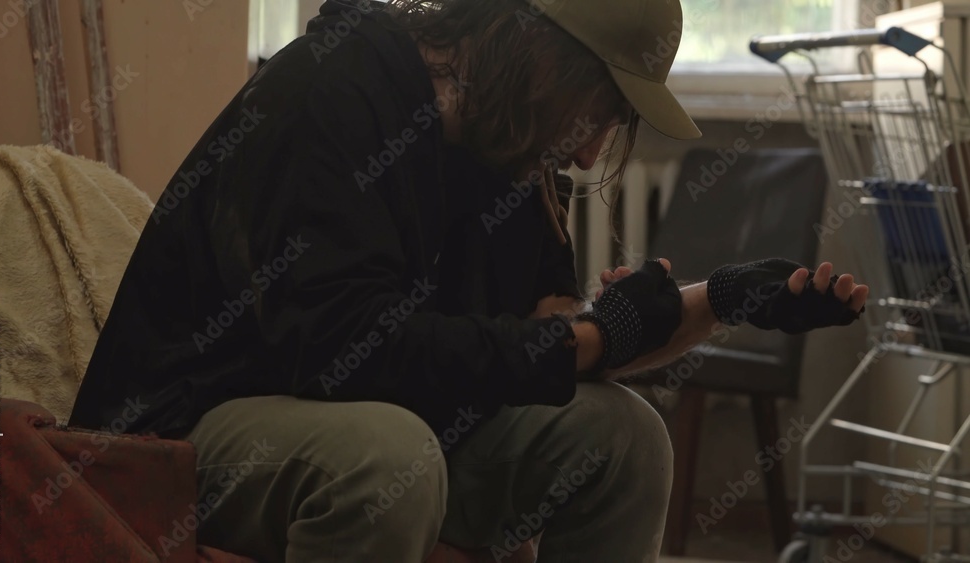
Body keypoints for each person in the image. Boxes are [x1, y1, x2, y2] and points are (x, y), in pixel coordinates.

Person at [69, 0, 869, 560]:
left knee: (625, 437)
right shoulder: (332, 88)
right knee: (387, 457)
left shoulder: (509, 142)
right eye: (597, 108)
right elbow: (345, 354)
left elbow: (553, 345)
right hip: (189, 432)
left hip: (385, 424)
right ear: (540, 55)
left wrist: (718, 301)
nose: (590, 152)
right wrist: (590, 336)